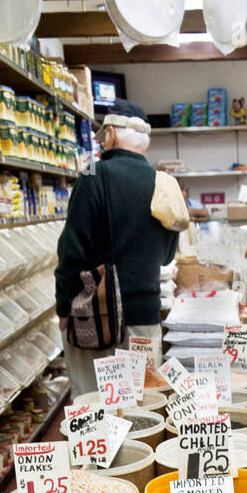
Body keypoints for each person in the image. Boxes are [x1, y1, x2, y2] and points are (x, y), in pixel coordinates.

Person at [54, 100, 181, 399]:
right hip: (145, 322)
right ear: (146, 142)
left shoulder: (93, 175)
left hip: (96, 321)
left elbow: (72, 251)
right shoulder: (164, 183)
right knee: (142, 408)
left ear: (110, 134)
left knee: (93, 407)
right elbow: (166, 256)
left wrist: (63, 307)